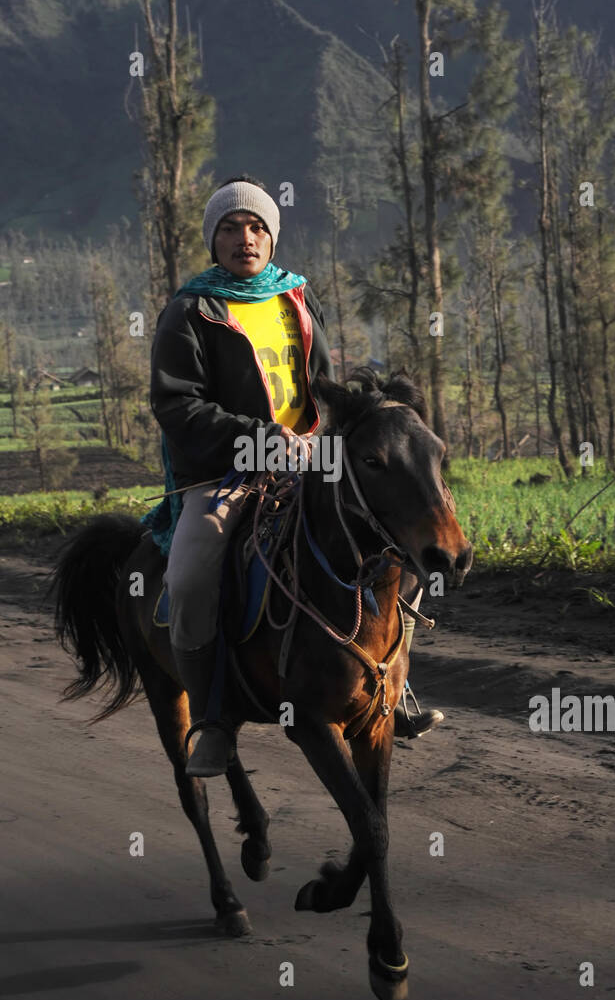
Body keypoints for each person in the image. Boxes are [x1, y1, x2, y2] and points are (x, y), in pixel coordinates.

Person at [149, 175, 433, 778]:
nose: (244, 238)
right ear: (213, 240)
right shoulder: (190, 311)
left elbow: (322, 384)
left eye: (256, 228)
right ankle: (214, 721)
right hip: (227, 472)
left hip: (310, 460)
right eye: (230, 228)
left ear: (271, 239)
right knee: (193, 575)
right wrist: (256, 438)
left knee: (392, 550)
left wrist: (346, 428)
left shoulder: (296, 298)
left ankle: (391, 691)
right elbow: (177, 406)